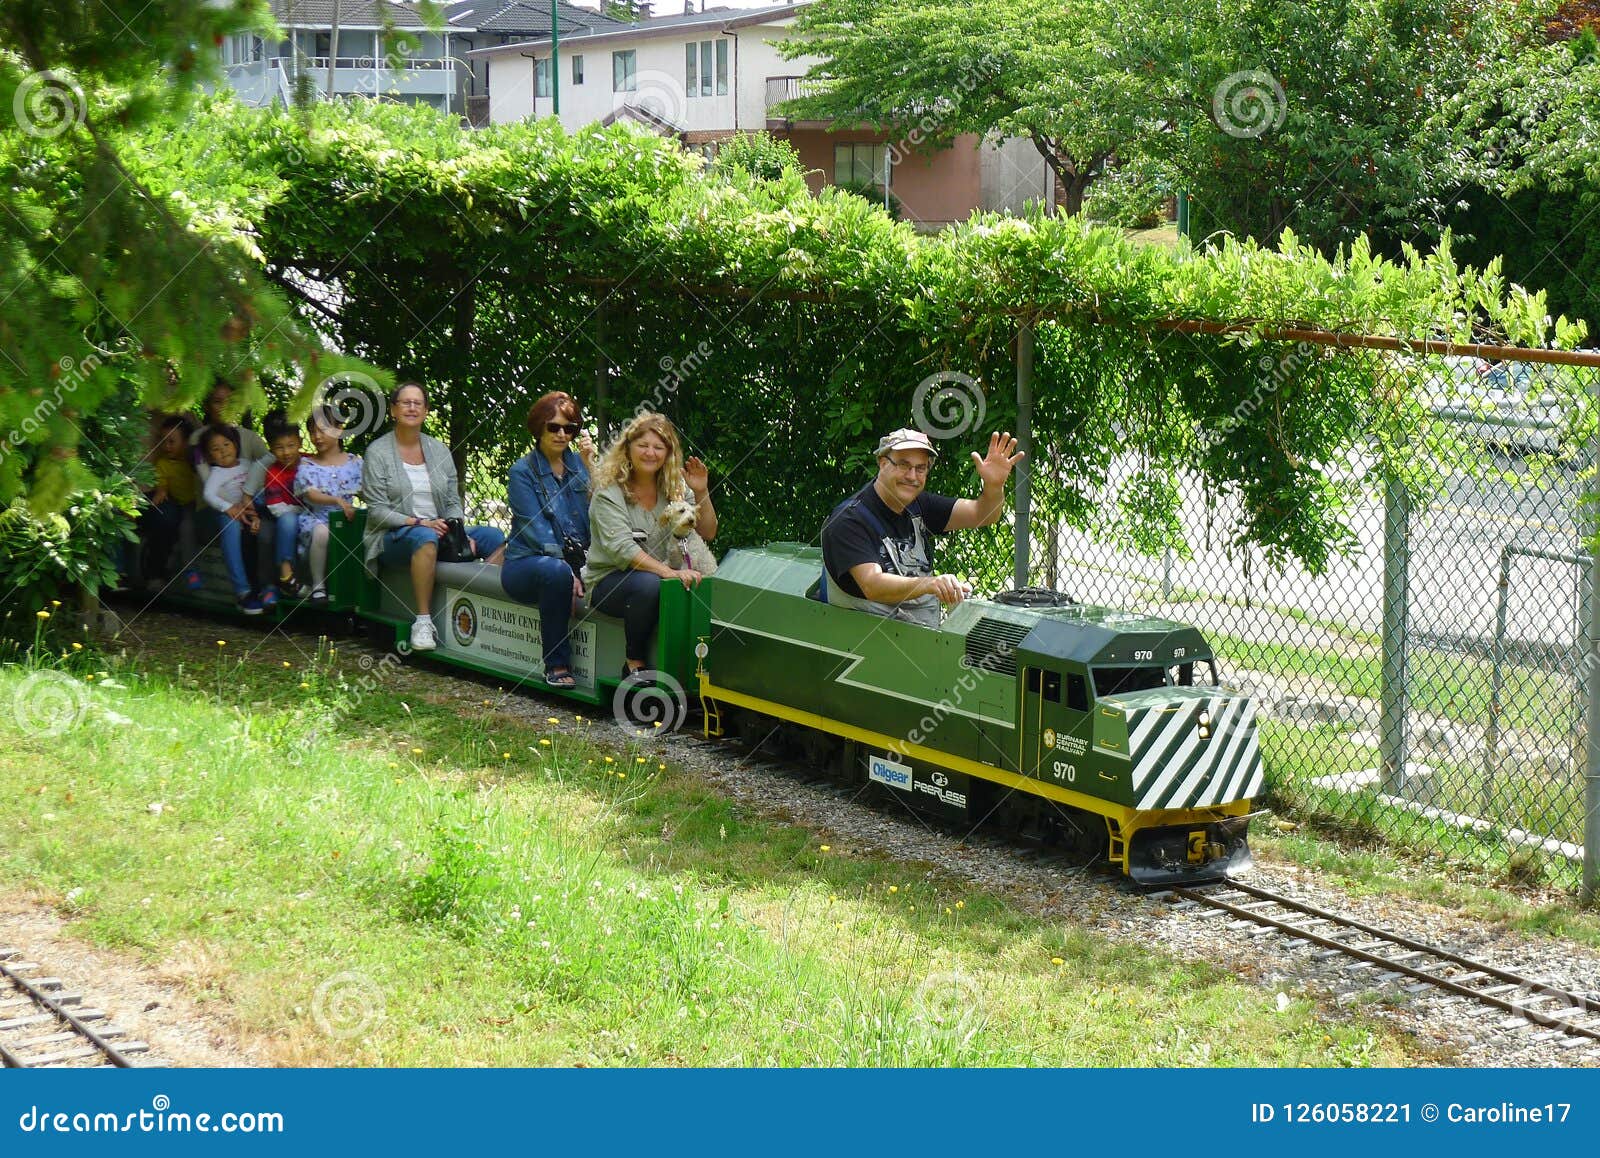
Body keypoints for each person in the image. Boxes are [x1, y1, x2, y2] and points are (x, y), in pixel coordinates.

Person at [819, 427, 1025, 627]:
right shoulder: (849, 519)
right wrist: (930, 584)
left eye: (920, 468)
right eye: (903, 465)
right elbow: (872, 585)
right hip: (867, 641)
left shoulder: (919, 505)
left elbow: (983, 515)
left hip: (918, 635)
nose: (912, 476)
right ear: (882, 464)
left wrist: (994, 485)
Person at [362, 382, 506, 652]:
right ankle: (424, 620)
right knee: (425, 537)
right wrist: (419, 523)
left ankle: (474, 606)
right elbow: (377, 512)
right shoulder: (377, 452)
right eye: (405, 402)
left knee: (495, 537)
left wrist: (458, 536)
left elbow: (452, 500)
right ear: (393, 409)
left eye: (418, 403)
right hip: (394, 534)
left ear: (426, 411)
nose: (412, 407)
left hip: (439, 530)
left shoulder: (438, 451)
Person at [583, 411, 715, 681]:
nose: (650, 453)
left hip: (665, 576)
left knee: (705, 583)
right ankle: (634, 664)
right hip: (610, 580)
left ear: (668, 453)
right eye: (643, 445)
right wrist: (669, 573)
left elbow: (708, 531)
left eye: (658, 447)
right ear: (628, 448)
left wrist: (701, 491)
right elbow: (623, 550)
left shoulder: (676, 488)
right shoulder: (609, 492)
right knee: (649, 585)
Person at [503, 392, 596, 688]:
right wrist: (569, 570)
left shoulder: (580, 466)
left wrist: (592, 466)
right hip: (527, 563)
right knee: (555, 573)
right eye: (553, 427)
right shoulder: (521, 472)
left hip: (578, 560)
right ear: (538, 428)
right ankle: (556, 663)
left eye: (569, 428)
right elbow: (537, 532)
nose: (561, 434)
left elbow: (597, 517)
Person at [294, 406, 364, 605]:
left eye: (322, 430)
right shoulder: (308, 465)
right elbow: (310, 494)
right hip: (319, 518)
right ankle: (318, 586)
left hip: (347, 517)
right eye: (312, 432)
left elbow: (366, 491)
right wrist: (336, 500)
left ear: (339, 429)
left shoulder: (354, 462)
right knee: (322, 532)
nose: (317, 437)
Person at [196, 425, 268, 614]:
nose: (222, 451)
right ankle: (242, 591)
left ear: (236, 445)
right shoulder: (217, 473)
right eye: (215, 449)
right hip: (233, 513)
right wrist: (228, 508)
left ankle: (265, 588)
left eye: (226, 444)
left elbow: (261, 486)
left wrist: (257, 512)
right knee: (230, 523)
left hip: (254, 508)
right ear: (210, 456)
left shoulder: (247, 464)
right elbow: (209, 495)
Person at [137, 413, 197, 589]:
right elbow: (161, 485)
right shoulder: (162, 463)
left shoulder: (193, 461)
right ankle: (176, 572)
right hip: (179, 504)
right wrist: (160, 493)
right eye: (163, 441)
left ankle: (190, 570)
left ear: (186, 442)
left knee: (187, 527)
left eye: (172, 441)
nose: (166, 446)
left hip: (193, 505)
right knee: (175, 522)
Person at [259, 423, 306, 599]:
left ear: (300, 443)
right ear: (271, 449)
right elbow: (276, 508)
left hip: (313, 513)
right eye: (279, 447)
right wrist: (302, 511)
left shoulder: (309, 462)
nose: (286, 452)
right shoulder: (272, 473)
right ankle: (286, 575)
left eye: (291, 445)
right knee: (287, 520)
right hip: (287, 515)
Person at [191, 381, 268, 481]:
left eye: (230, 402)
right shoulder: (197, 437)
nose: (225, 407)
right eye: (217, 402)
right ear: (207, 406)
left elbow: (270, 467)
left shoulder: (250, 437)